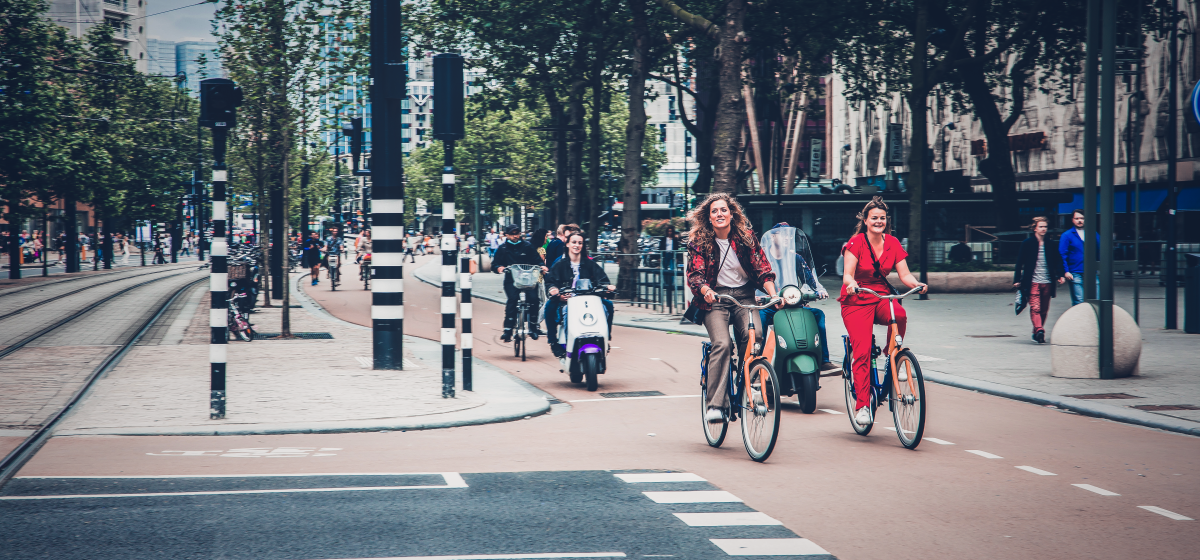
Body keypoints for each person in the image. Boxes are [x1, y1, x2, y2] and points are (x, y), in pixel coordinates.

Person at [686, 193, 780, 424]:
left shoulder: (746, 238)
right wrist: (706, 291)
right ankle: (716, 405)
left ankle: (752, 388)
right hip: (714, 298)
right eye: (714, 211)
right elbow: (695, 276)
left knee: (755, 336)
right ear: (709, 217)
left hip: (744, 296)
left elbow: (762, 269)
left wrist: (774, 295)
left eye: (723, 210)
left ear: (731, 214)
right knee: (722, 344)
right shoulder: (699, 242)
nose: (719, 214)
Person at [839, 196, 927, 427]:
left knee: (899, 315)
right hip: (856, 298)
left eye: (882, 218)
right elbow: (848, 273)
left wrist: (916, 284)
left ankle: (892, 357)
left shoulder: (893, 243)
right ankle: (862, 407)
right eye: (874, 218)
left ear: (886, 220)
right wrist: (851, 283)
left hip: (880, 295)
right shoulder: (856, 242)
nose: (879, 221)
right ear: (865, 220)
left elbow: (904, 274)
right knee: (862, 350)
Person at [758, 223, 839, 373]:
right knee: (760, 319)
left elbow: (811, 281)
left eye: (790, 235)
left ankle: (823, 361)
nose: (788, 238)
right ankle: (758, 362)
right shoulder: (763, 258)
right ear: (773, 236)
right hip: (770, 305)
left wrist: (820, 290)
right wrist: (758, 297)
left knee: (817, 315)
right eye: (783, 234)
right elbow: (755, 281)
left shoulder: (795, 258)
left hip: (792, 304)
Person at [545, 232, 615, 358]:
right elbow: (550, 281)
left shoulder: (590, 264)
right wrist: (555, 291)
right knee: (549, 306)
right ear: (567, 244)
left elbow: (603, 280)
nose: (577, 245)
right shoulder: (560, 264)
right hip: (566, 302)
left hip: (589, 301)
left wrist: (607, 287)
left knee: (608, 305)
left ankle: (606, 339)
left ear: (583, 246)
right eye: (574, 242)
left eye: (580, 243)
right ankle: (553, 342)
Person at [492, 224, 548, 342]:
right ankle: (508, 330)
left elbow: (537, 260)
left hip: (528, 280)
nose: (515, 236)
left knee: (534, 299)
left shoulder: (528, 246)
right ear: (506, 235)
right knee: (512, 300)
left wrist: (542, 266)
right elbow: (494, 264)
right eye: (512, 234)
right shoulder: (503, 248)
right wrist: (499, 268)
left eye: (517, 233)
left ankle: (533, 327)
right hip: (511, 281)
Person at [1014, 217, 1065, 344]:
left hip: (1047, 282)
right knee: (1035, 308)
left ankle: (1036, 332)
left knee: (1044, 309)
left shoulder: (1052, 244)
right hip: (1032, 282)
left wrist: (1060, 275)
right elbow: (1019, 262)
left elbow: (1058, 260)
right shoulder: (1027, 243)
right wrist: (1017, 279)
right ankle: (1040, 329)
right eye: (1041, 226)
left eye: (1045, 227)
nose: (1043, 229)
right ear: (1035, 228)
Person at [1059, 209, 1100, 306]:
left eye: (1082, 218)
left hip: (1091, 270)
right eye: (1076, 218)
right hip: (1074, 271)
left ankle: (1095, 320)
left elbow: (1099, 249)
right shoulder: (1067, 235)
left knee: (1096, 299)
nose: (1079, 220)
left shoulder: (1093, 234)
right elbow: (1062, 254)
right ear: (1072, 220)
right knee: (1079, 301)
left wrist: (1098, 265)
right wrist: (1066, 271)